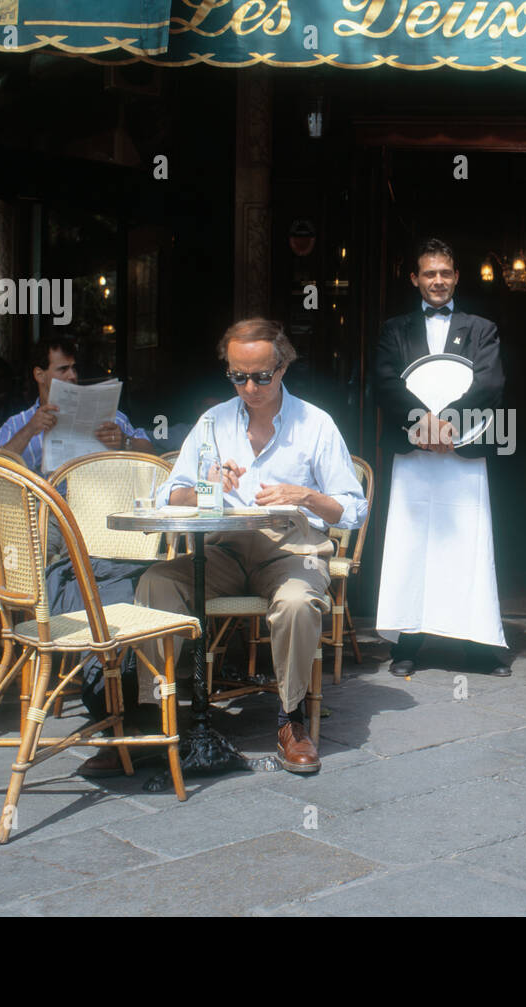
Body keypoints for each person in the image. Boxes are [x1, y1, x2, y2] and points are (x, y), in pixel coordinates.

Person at [127, 319, 367, 776]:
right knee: (156, 583)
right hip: (224, 549)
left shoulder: (315, 424)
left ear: (283, 368)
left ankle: (291, 718)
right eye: (238, 376)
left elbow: (352, 510)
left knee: (298, 602)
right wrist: (207, 484)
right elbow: (169, 496)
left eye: (261, 376)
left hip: (292, 550)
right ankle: (151, 713)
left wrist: (305, 496)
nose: (251, 387)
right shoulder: (213, 422)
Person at [373, 238, 508, 677]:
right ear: (415, 278)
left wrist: (447, 422)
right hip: (415, 453)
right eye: (429, 273)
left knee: (468, 544)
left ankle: (478, 645)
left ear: (455, 277)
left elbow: (489, 383)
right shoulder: (395, 329)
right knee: (411, 543)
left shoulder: (482, 327)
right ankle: (408, 643)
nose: (437, 281)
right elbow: (385, 381)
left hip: (463, 449)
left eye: (445, 273)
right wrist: (422, 424)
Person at [0, 337, 154, 474]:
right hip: (44, 508)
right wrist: (30, 429)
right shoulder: (17, 424)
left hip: (101, 505)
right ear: (39, 375)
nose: (72, 376)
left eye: (74, 369)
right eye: (63, 369)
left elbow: (152, 457)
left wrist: (125, 441)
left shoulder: (107, 414)